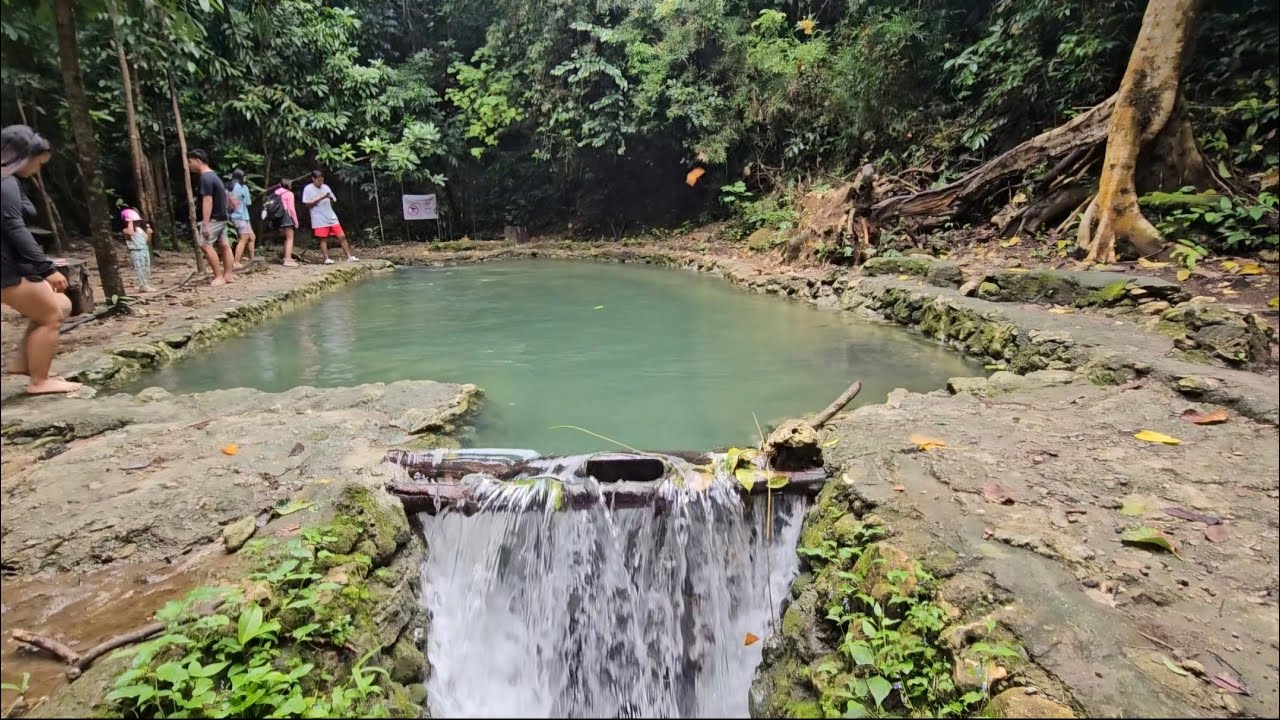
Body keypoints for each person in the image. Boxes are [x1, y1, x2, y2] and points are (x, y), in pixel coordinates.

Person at [0, 125, 80, 394]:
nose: (37, 169)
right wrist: (46, 269)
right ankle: (39, 381)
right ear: (21, 156)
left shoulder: (9, 181)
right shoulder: (6, 183)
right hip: (7, 269)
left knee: (62, 303)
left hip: (14, 264)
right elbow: (15, 229)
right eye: (38, 163)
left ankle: (25, 363)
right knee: (50, 315)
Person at [186, 148, 235, 286]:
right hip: (222, 216)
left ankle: (218, 276)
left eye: (190, 162)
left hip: (214, 218)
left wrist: (206, 223)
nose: (189, 165)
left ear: (198, 161)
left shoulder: (205, 178)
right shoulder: (214, 176)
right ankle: (228, 275)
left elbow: (208, 200)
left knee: (205, 245)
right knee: (224, 244)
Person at [301, 169, 357, 264]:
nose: (321, 182)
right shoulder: (308, 189)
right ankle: (326, 258)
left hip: (330, 215)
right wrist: (320, 198)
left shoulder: (325, 187)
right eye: (319, 180)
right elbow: (307, 204)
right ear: (313, 179)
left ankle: (349, 256)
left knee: (342, 236)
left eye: (322, 180)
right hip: (318, 217)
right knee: (323, 238)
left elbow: (333, 199)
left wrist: (329, 197)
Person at [119, 208, 156, 292]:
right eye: (135, 222)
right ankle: (143, 286)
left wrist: (149, 233)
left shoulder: (139, 230)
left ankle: (145, 285)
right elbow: (131, 233)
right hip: (136, 251)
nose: (137, 223)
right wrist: (130, 222)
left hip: (144, 250)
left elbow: (147, 240)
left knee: (146, 268)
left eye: (138, 221)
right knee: (140, 269)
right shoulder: (126, 230)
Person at [228, 169, 255, 269]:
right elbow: (248, 202)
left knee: (252, 237)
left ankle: (252, 260)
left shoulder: (230, 187)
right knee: (243, 238)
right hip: (241, 216)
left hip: (235, 216)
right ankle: (236, 262)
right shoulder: (243, 188)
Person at [271, 177, 301, 267]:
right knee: (290, 238)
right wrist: (296, 221)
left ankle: (286, 257)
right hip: (286, 217)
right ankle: (288, 259)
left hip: (278, 217)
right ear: (288, 185)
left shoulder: (276, 192)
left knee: (286, 238)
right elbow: (291, 209)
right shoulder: (289, 194)